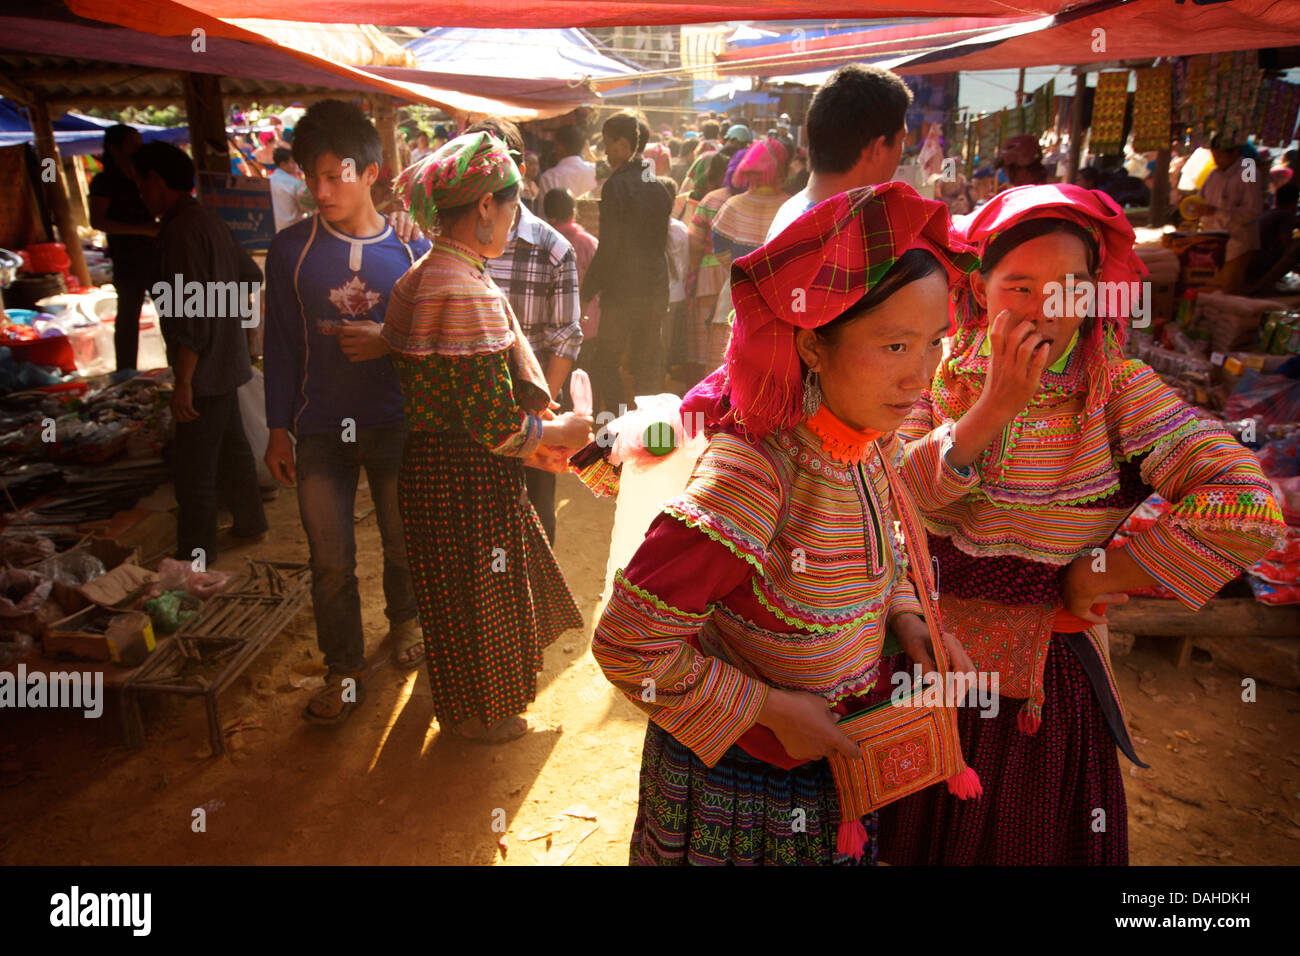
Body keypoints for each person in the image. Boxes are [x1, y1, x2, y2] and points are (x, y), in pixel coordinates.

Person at [879, 183, 1284, 865]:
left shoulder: (1118, 392)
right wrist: (993, 408)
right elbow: (899, 495)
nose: (1045, 310)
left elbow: (1247, 507)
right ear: (980, 288)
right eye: (1020, 286)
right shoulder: (943, 374)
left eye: (1068, 287)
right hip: (926, 659)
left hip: (1042, 692)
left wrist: (1099, 572)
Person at [591, 182, 987, 865]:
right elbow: (629, 646)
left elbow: (882, 551)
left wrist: (907, 622)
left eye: (934, 345)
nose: (922, 376)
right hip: (742, 794)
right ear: (811, 346)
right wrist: (771, 710)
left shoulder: (869, 444)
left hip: (827, 775)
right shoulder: (752, 480)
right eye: (895, 346)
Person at [383, 131, 592, 744]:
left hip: (427, 465)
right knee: (486, 595)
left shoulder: (422, 276)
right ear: (483, 208)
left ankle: (461, 708)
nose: (512, 221)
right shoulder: (465, 289)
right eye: (511, 207)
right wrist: (560, 430)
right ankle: (487, 718)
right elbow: (494, 424)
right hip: (466, 474)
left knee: (449, 598)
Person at [262, 99, 431, 722]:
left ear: (372, 172)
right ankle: (343, 672)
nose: (322, 188)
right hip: (318, 431)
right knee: (329, 560)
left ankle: (407, 622)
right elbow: (278, 342)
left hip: (393, 421)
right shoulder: (291, 251)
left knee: (401, 542)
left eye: (337, 174)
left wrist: (389, 337)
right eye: (314, 175)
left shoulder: (413, 253)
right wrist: (278, 428)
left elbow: (432, 342)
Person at [131, 142, 268, 567]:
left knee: (194, 470)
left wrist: (184, 380)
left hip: (205, 366)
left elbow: (191, 315)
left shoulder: (182, 231)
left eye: (141, 184)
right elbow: (247, 274)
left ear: (155, 181)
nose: (140, 194)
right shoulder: (208, 221)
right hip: (225, 357)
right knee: (233, 449)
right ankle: (250, 522)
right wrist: (228, 317)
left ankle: (195, 555)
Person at [469, 119, 583, 546]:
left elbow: (565, 337)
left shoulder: (553, 248)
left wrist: (538, 413)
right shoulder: (447, 243)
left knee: (532, 523)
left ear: (516, 170)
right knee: (478, 527)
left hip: (530, 414)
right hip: (470, 420)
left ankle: (533, 609)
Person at [580, 111, 673, 413]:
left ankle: (618, 424)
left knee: (605, 362)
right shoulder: (658, 186)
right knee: (647, 368)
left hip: (622, 293)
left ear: (622, 144)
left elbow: (610, 248)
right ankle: (651, 435)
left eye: (608, 144)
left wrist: (586, 292)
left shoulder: (616, 186)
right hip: (655, 289)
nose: (606, 152)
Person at [766, 64, 912, 242]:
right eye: (901, 140)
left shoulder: (795, 215)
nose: (901, 149)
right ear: (879, 148)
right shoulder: (836, 238)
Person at [706, 139, 790, 366]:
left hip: (734, 300)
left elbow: (720, 250)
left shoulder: (733, 206)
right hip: (778, 310)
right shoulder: (792, 207)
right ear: (782, 167)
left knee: (726, 377)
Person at [89, 124, 160, 374]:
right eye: (133, 145)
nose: (139, 150)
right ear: (114, 149)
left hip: (155, 255)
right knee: (129, 316)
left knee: (173, 313)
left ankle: (179, 367)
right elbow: (97, 221)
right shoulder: (105, 181)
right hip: (128, 258)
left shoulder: (145, 176)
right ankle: (126, 373)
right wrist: (143, 230)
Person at [1199, 133, 1264, 293]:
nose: (1216, 159)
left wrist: (1218, 212)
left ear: (1235, 152)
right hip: (1213, 239)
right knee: (1210, 289)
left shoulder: (1248, 171)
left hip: (1238, 242)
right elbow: (1201, 199)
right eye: (1214, 154)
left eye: (1220, 155)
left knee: (1228, 290)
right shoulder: (1214, 174)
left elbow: (1253, 211)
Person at [542, 186, 600, 350]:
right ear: (572, 212)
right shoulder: (588, 243)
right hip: (585, 324)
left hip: (548, 326)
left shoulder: (541, 242)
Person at [537, 125, 597, 201]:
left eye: (556, 144)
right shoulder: (594, 171)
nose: (554, 148)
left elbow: (545, 211)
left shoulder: (549, 177)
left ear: (560, 147)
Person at [267, 146, 312, 232]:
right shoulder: (294, 184)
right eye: (294, 162)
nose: (297, 165)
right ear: (283, 164)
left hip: (273, 228)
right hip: (292, 228)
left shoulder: (267, 181)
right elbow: (306, 207)